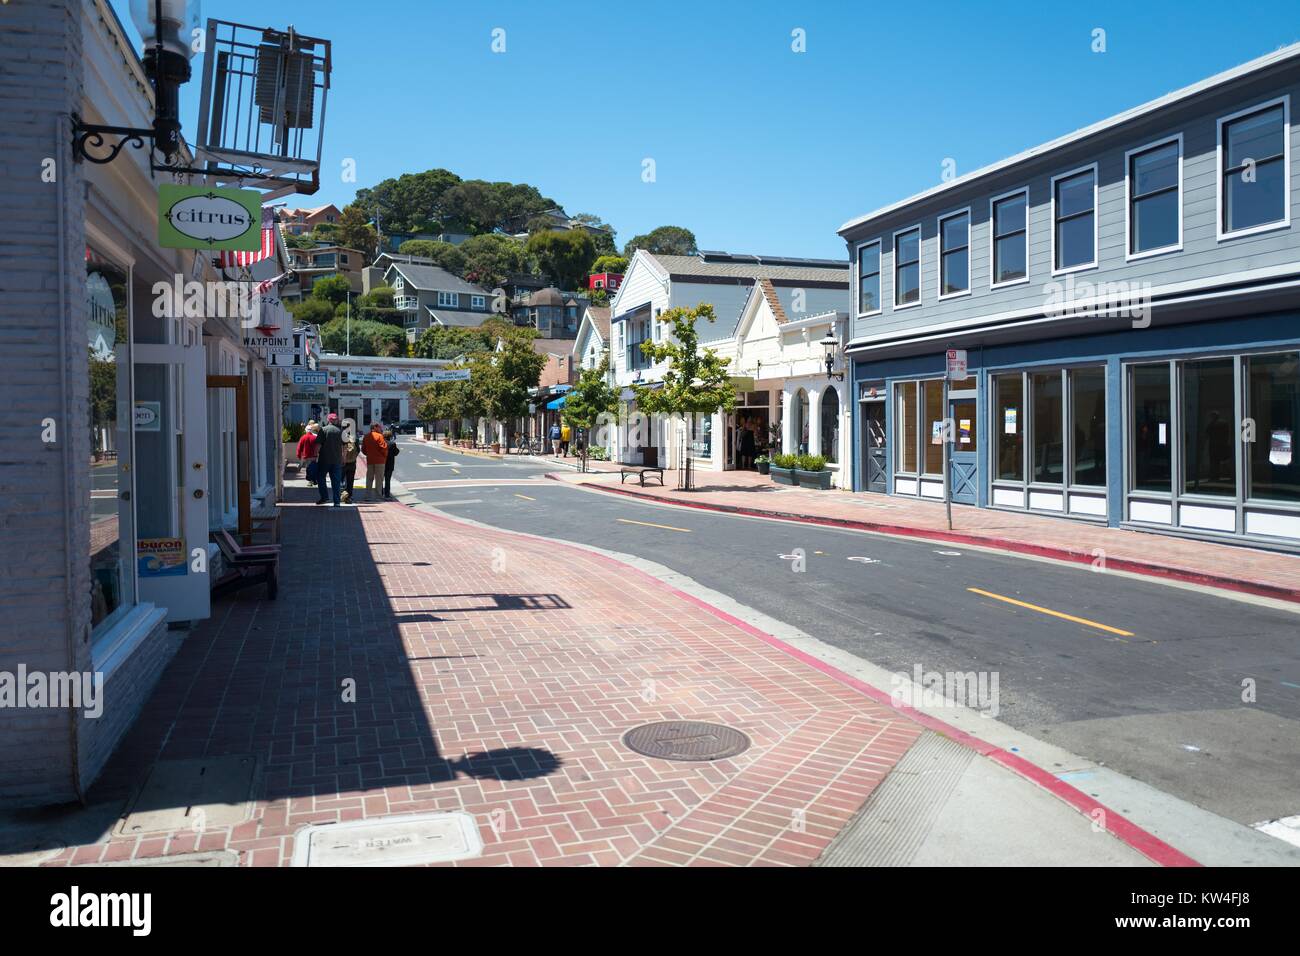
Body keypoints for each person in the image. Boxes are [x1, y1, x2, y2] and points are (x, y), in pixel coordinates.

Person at [315, 413, 344, 507]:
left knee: (320, 478)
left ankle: (324, 497)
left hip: (324, 459)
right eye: (335, 419)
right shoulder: (340, 431)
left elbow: (318, 445)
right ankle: (337, 502)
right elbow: (344, 447)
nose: (336, 420)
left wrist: (315, 456)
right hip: (337, 460)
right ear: (333, 420)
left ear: (328, 420)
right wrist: (344, 458)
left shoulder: (323, 430)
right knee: (336, 481)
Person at [361, 421, 388, 501]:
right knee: (379, 479)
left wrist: (369, 454)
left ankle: (367, 496)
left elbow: (363, 449)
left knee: (369, 478)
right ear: (375, 427)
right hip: (380, 461)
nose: (380, 428)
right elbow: (384, 448)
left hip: (370, 460)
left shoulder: (366, 436)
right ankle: (378, 496)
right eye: (379, 427)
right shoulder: (380, 436)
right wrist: (384, 456)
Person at [296, 421, 319, 485]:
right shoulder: (315, 437)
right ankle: (314, 479)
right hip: (314, 455)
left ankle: (310, 480)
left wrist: (298, 455)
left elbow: (299, 447)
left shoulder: (303, 437)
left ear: (306, 430)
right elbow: (319, 446)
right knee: (314, 467)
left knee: (308, 468)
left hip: (306, 456)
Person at [341, 432, 359, 504]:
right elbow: (358, 451)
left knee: (340, 480)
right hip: (352, 463)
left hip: (342, 464)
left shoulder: (341, 441)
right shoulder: (353, 441)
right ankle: (349, 496)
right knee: (350, 481)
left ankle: (342, 495)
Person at [383, 427, 400, 499]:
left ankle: (380, 493)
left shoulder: (381, 443)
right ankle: (387, 494)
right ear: (390, 436)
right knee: (387, 480)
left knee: (380, 479)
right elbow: (396, 452)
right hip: (390, 464)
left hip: (381, 463)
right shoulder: (392, 444)